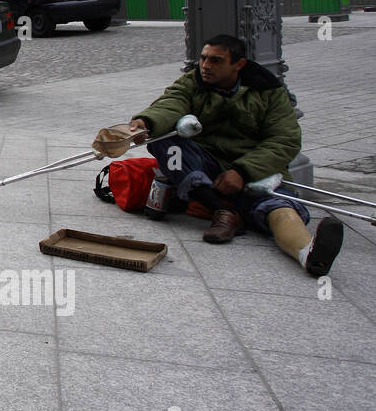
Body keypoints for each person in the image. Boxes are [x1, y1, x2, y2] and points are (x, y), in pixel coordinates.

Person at [129, 34, 342, 277]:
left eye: (216, 60)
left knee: (279, 209)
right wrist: (146, 121)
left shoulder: (268, 91)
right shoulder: (193, 81)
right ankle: (222, 210)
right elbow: (171, 103)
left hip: (252, 169)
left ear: (238, 65)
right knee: (166, 142)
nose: (206, 66)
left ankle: (308, 254)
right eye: (203, 58)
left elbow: (285, 140)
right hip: (204, 164)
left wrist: (242, 172)